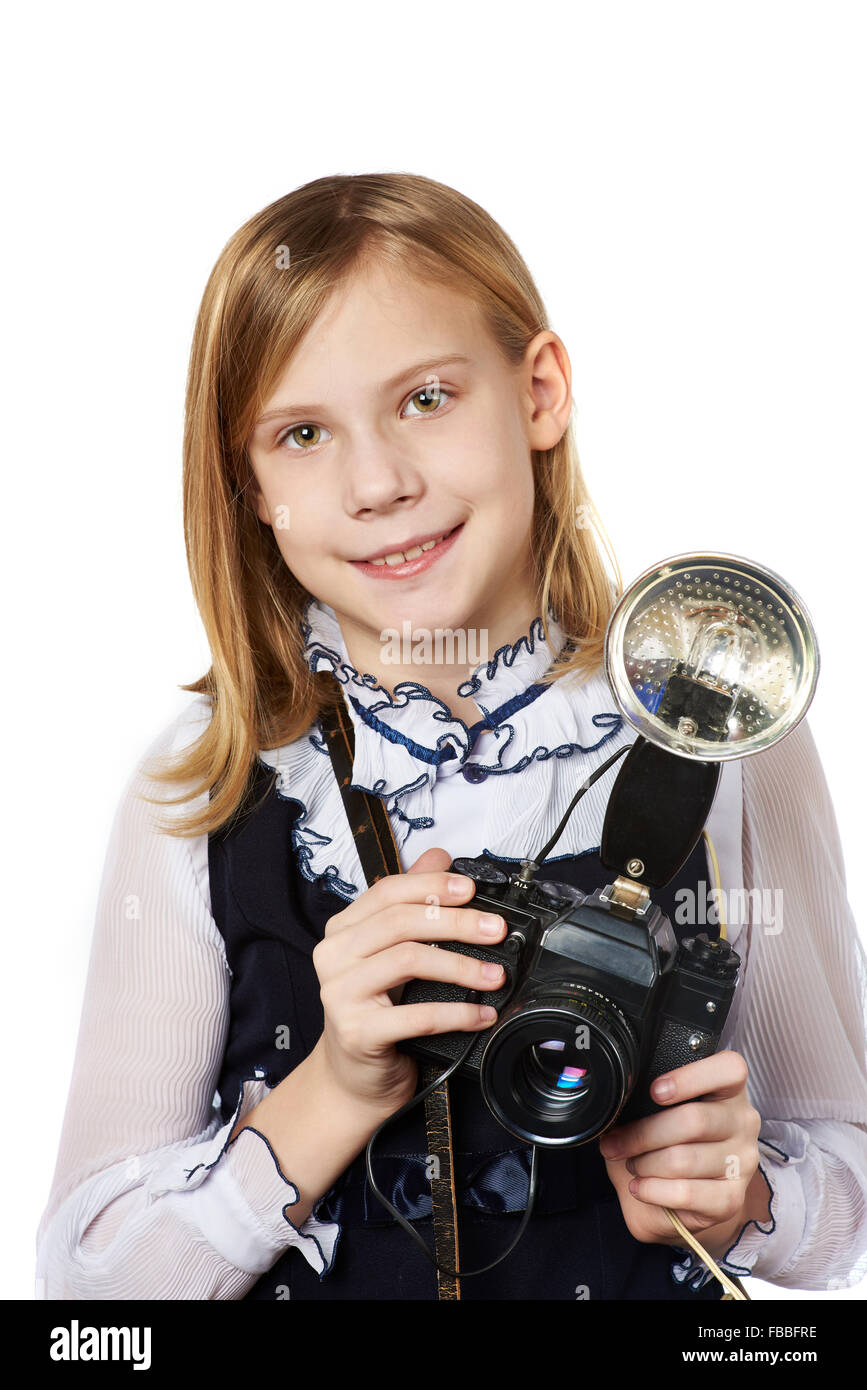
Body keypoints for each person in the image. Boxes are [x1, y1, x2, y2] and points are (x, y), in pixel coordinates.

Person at [36, 173, 867, 1300]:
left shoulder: (716, 736)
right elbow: (89, 1295)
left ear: (539, 392)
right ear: (250, 488)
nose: (377, 482)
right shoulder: (208, 778)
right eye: (303, 433)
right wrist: (334, 1086)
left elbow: (847, 1189)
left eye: (426, 398)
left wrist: (746, 1193)